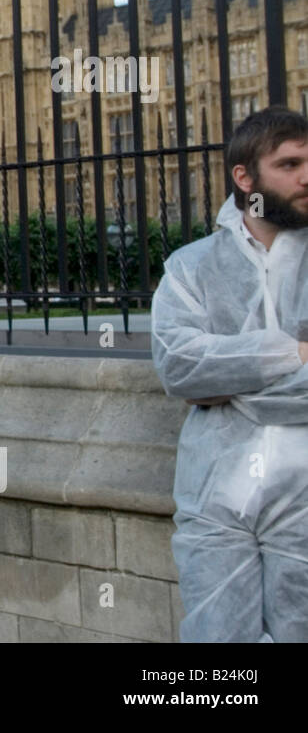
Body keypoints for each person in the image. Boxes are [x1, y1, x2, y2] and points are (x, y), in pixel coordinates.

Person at [151, 105, 308, 642]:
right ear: (245, 178)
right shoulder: (190, 267)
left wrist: (233, 379)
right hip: (216, 499)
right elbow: (180, 367)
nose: (307, 176)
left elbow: (207, 368)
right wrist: (294, 354)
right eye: (290, 164)